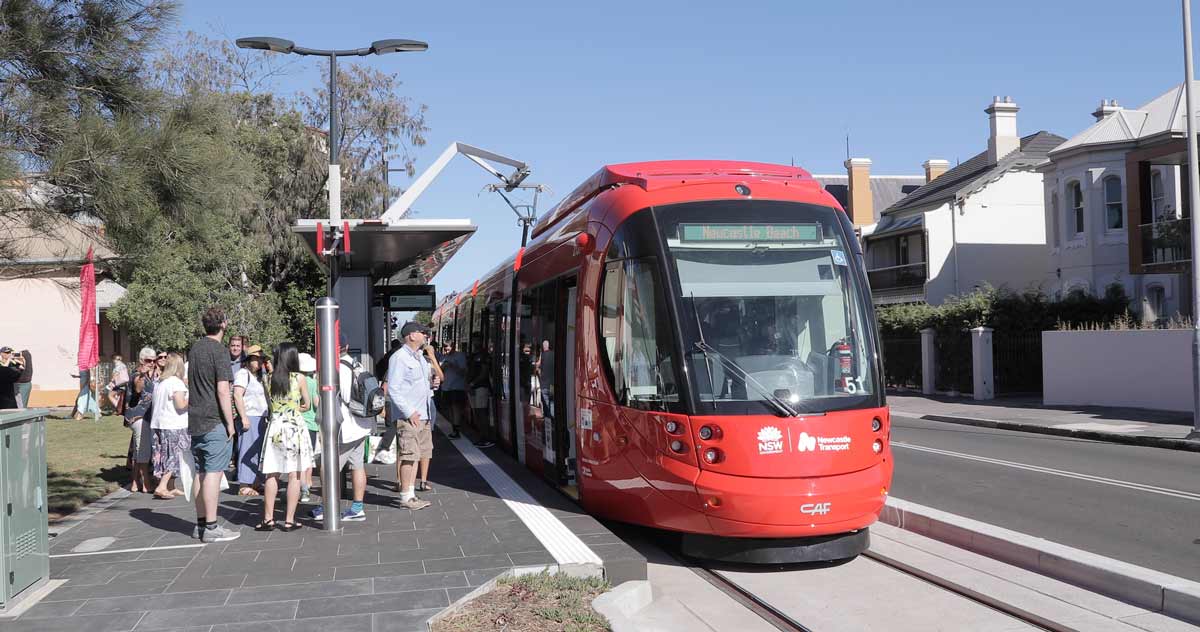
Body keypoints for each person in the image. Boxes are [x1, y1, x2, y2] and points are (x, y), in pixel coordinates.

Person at [187, 306, 240, 543]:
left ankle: (200, 525)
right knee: (213, 474)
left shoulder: (195, 349)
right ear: (224, 325)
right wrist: (230, 423)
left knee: (200, 473)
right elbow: (222, 389)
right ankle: (211, 526)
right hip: (213, 420)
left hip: (195, 419)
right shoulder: (219, 351)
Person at [312, 337, 374, 522]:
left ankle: (327, 507)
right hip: (362, 426)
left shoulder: (338, 368)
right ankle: (357, 507)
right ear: (347, 346)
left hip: (345, 428)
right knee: (357, 467)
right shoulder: (357, 365)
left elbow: (346, 397)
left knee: (328, 467)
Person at [259, 343, 312, 532]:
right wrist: (297, 408)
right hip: (294, 426)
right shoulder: (299, 378)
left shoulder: (267, 379)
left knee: (271, 474)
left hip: (275, 427)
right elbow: (307, 404)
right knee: (295, 474)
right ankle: (289, 519)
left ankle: (268, 518)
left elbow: (270, 405)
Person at [386, 322, 437, 510]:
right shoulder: (399, 358)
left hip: (423, 414)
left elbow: (423, 384)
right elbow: (393, 388)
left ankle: (412, 494)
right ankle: (406, 496)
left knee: (417, 455)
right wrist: (408, 411)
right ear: (411, 336)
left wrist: (433, 383)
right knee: (408, 455)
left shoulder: (420, 358)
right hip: (410, 417)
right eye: (422, 333)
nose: (426, 335)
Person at [150, 353, 189, 500]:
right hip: (174, 424)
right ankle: (162, 486)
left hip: (159, 424)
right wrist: (192, 400)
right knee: (175, 455)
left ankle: (171, 486)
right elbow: (180, 405)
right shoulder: (176, 383)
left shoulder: (160, 382)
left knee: (164, 454)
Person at [232, 345, 269, 496]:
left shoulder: (259, 377)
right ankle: (244, 483)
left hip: (261, 416)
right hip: (250, 416)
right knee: (247, 448)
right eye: (256, 359)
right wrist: (244, 416)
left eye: (261, 359)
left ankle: (255, 480)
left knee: (258, 451)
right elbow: (237, 395)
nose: (259, 362)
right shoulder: (243, 374)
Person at [124, 347, 158, 494]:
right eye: (148, 360)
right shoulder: (138, 374)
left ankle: (134, 482)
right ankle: (146, 484)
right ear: (141, 360)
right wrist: (143, 375)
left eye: (153, 360)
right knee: (143, 451)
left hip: (143, 417)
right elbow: (138, 389)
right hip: (139, 417)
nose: (151, 363)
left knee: (138, 452)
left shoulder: (149, 375)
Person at [466, 334, 495, 449]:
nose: (475, 342)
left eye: (478, 339)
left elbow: (484, 373)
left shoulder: (484, 355)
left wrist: (472, 384)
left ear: (482, 341)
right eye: (474, 339)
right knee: (477, 413)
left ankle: (485, 438)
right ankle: (481, 436)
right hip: (472, 387)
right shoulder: (473, 355)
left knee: (481, 412)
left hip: (481, 387)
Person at [297, 352, 319, 502]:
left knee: (299, 457)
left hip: (297, 422)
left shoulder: (294, 380)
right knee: (308, 456)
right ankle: (307, 484)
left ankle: (301, 485)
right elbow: (316, 403)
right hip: (311, 423)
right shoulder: (312, 382)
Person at [440, 344, 468, 440]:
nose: (447, 352)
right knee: (449, 408)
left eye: (448, 349)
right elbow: (439, 371)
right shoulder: (443, 357)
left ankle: (456, 430)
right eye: (445, 349)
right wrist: (443, 366)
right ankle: (454, 427)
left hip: (457, 387)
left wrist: (453, 365)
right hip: (446, 387)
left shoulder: (460, 356)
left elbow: (463, 372)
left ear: (453, 347)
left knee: (455, 407)